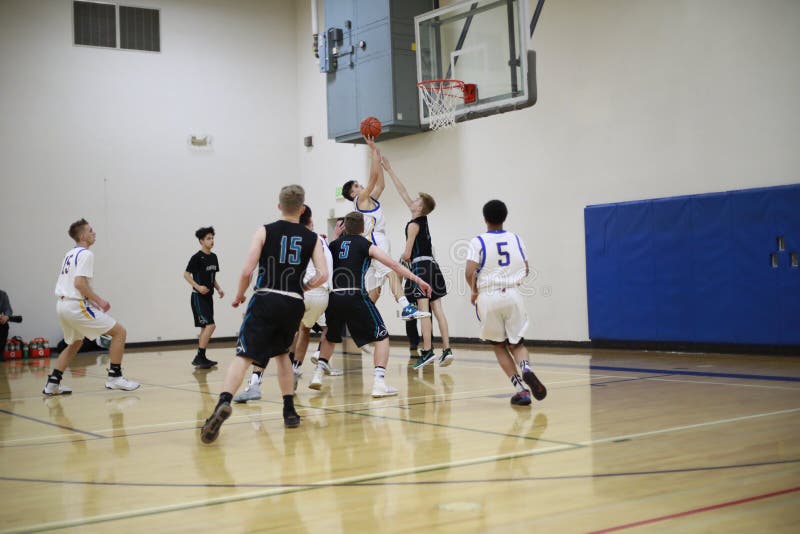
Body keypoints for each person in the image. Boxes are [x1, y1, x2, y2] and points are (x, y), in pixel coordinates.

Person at [200, 185, 328, 444]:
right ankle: (289, 411)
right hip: (293, 302)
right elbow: (323, 274)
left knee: (244, 355)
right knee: (282, 355)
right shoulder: (312, 237)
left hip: (266, 296)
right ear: (302, 209)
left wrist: (238, 295)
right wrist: (303, 287)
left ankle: (222, 404)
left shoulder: (264, 230)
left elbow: (247, 271)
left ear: (279, 206)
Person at [310, 211, 432, 397]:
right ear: (362, 228)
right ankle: (379, 383)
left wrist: (335, 237)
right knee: (382, 336)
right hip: (355, 295)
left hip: (334, 297)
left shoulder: (332, 245)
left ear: (345, 228)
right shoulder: (366, 244)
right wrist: (418, 280)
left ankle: (318, 374)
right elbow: (394, 266)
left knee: (330, 336)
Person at [234, 205, 336, 403]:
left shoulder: (288, 236)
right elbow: (324, 272)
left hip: (298, 292)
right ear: (311, 221)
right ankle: (296, 369)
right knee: (307, 330)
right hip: (323, 295)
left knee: (275, 336)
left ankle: (255, 382)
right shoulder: (320, 240)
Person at [464, 200, 547, 406]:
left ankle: (521, 390)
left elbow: (469, 272)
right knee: (517, 343)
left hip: (488, 296)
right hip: (512, 294)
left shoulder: (478, 241)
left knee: (499, 346)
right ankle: (526, 368)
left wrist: (474, 291)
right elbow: (525, 269)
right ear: (505, 217)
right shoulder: (516, 238)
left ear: (485, 219)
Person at [44, 219, 140, 395]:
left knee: (75, 343)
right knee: (119, 332)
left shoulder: (69, 254)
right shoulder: (86, 254)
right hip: (74, 305)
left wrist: (92, 300)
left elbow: (77, 284)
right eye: (90, 230)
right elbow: (79, 283)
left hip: (62, 305)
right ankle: (115, 377)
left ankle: (52, 383)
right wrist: (100, 300)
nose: (94, 233)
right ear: (82, 236)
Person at [340, 138, 429, 322]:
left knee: (375, 291)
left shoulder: (370, 199)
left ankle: (359, 321)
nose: (360, 186)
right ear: (352, 194)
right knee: (390, 271)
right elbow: (372, 179)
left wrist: (379, 160)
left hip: (373, 241)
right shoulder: (361, 200)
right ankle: (406, 307)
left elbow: (381, 184)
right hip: (374, 240)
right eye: (356, 186)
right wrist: (373, 150)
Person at [382, 156, 453, 369]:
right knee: (437, 309)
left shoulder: (413, 225)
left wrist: (394, 263)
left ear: (420, 208)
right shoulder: (422, 219)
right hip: (434, 266)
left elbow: (406, 253)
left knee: (423, 310)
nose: (412, 200)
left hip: (421, 267)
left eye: (417, 201)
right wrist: (390, 169)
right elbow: (403, 192)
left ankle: (428, 350)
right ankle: (447, 348)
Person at [184, 226, 224, 369]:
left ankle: (201, 357)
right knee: (211, 325)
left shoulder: (214, 257)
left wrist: (219, 289)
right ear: (201, 241)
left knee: (204, 328)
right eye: (208, 238)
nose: (211, 241)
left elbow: (212, 277)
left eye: (212, 238)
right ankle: (199, 356)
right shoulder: (196, 257)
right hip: (198, 297)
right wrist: (198, 287)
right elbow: (186, 275)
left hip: (209, 297)